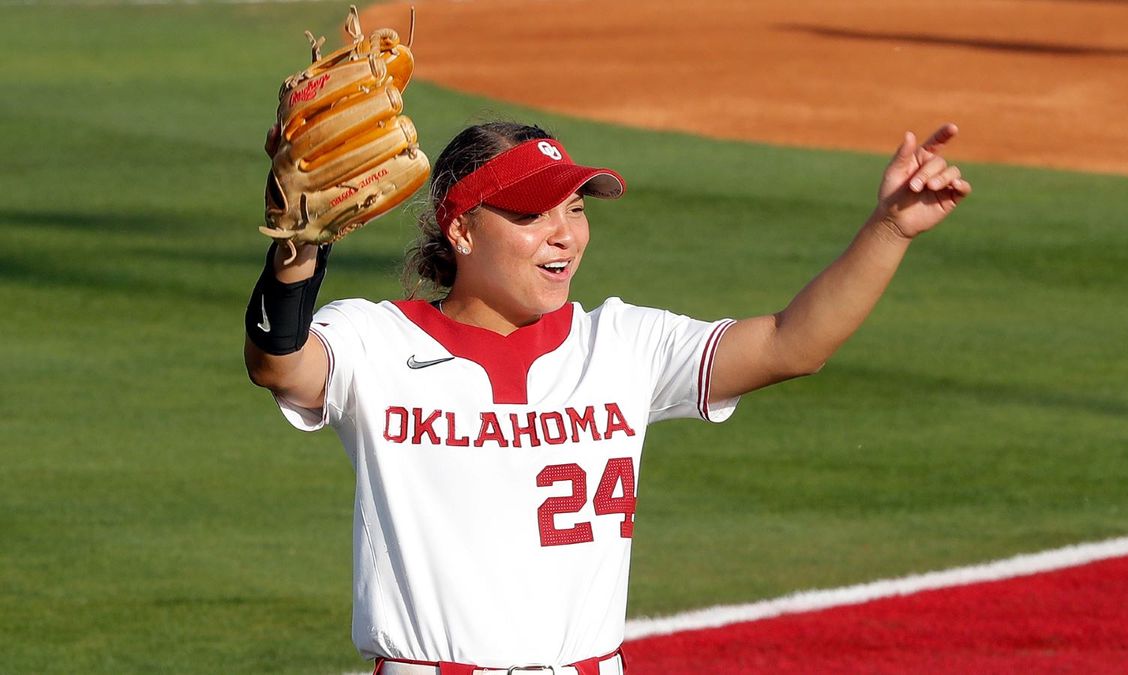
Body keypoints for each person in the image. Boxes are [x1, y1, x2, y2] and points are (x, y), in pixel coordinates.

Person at [244, 120, 971, 674]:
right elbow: (281, 364)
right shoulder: (376, 341)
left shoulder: (621, 345)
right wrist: (297, 252)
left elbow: (792, 344)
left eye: (575, 208)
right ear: (462, 230)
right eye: (531, 216)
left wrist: (890, 228)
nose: (564, 234)